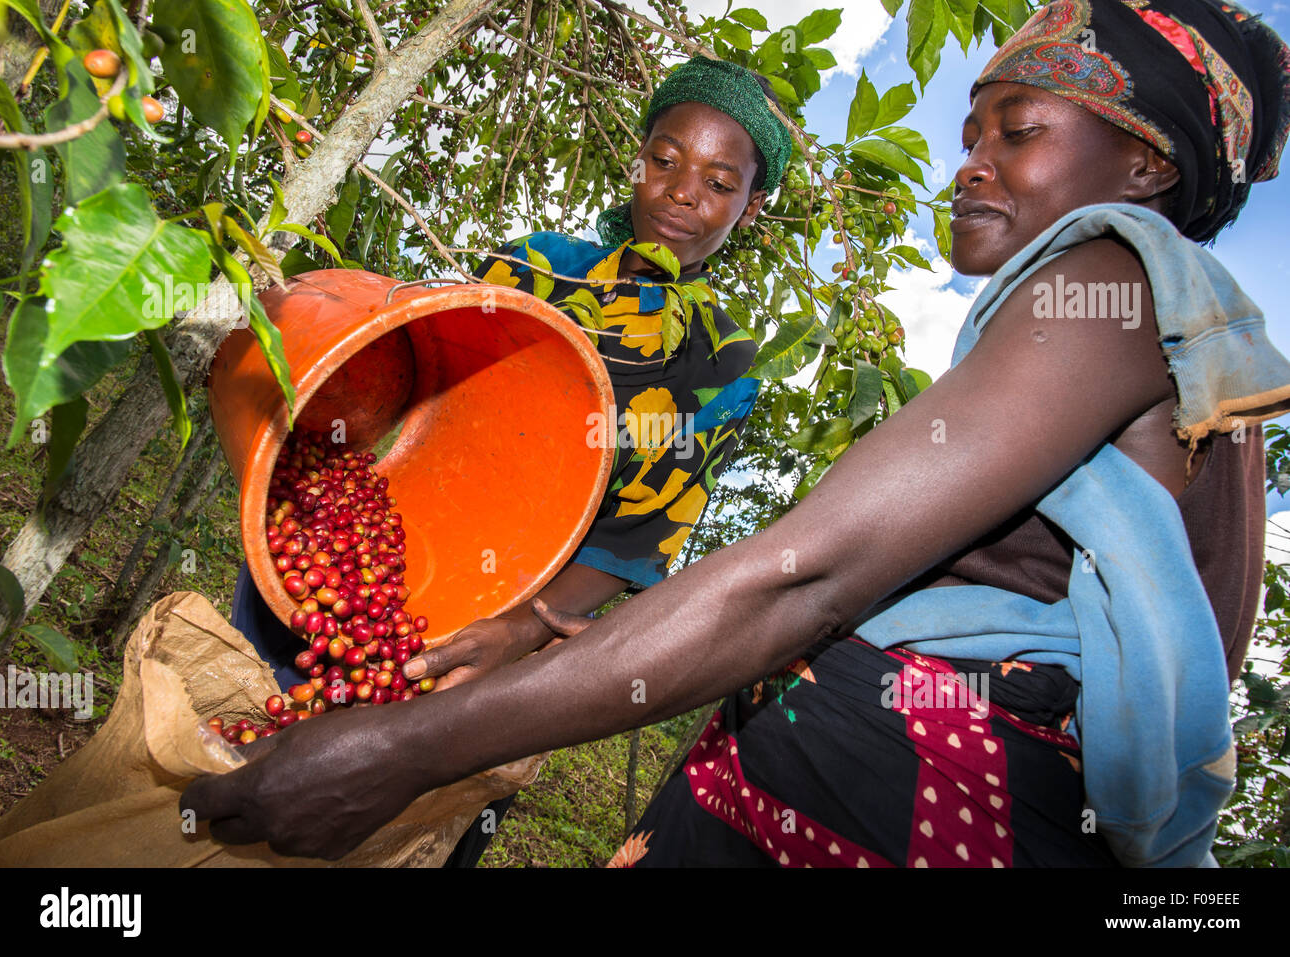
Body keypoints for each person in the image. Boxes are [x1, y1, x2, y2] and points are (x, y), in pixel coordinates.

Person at [184, 0, 1290, 867]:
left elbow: (804, 579)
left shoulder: (1112, 276)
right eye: (969, 134)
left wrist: (404, 747)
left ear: (1149, 170)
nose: (971, 163)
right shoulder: (1145, 336)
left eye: (1019, 131)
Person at [221, 56, 792, 864]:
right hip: (390, 550)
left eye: (719, 180)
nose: (681, 192)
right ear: (637, 160)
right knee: (256, 768)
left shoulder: (721, 363)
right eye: (664, 160)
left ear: (750, 205)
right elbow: (412, 371)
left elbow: (637, 539)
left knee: (413, 821)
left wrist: (517, 628)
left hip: (508, 624)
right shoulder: (536, 265)